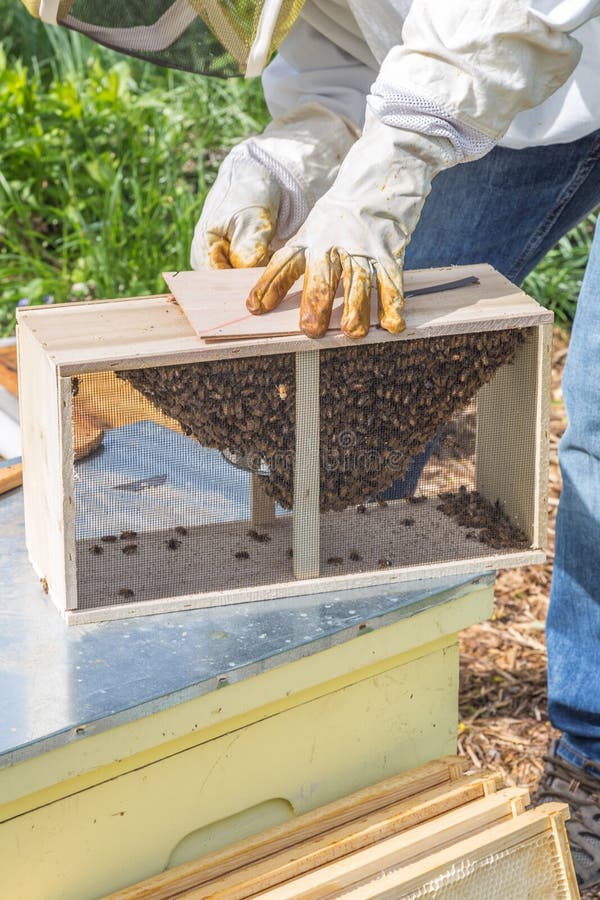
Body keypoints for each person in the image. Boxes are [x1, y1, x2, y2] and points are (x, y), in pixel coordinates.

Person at [190, 1, 600, 889]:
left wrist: (401, 153)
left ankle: (596, 759)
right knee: (349, 367)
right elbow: (344, 38)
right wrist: (291, 157)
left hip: (518, 26)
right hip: (501, 79)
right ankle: (335, 733)